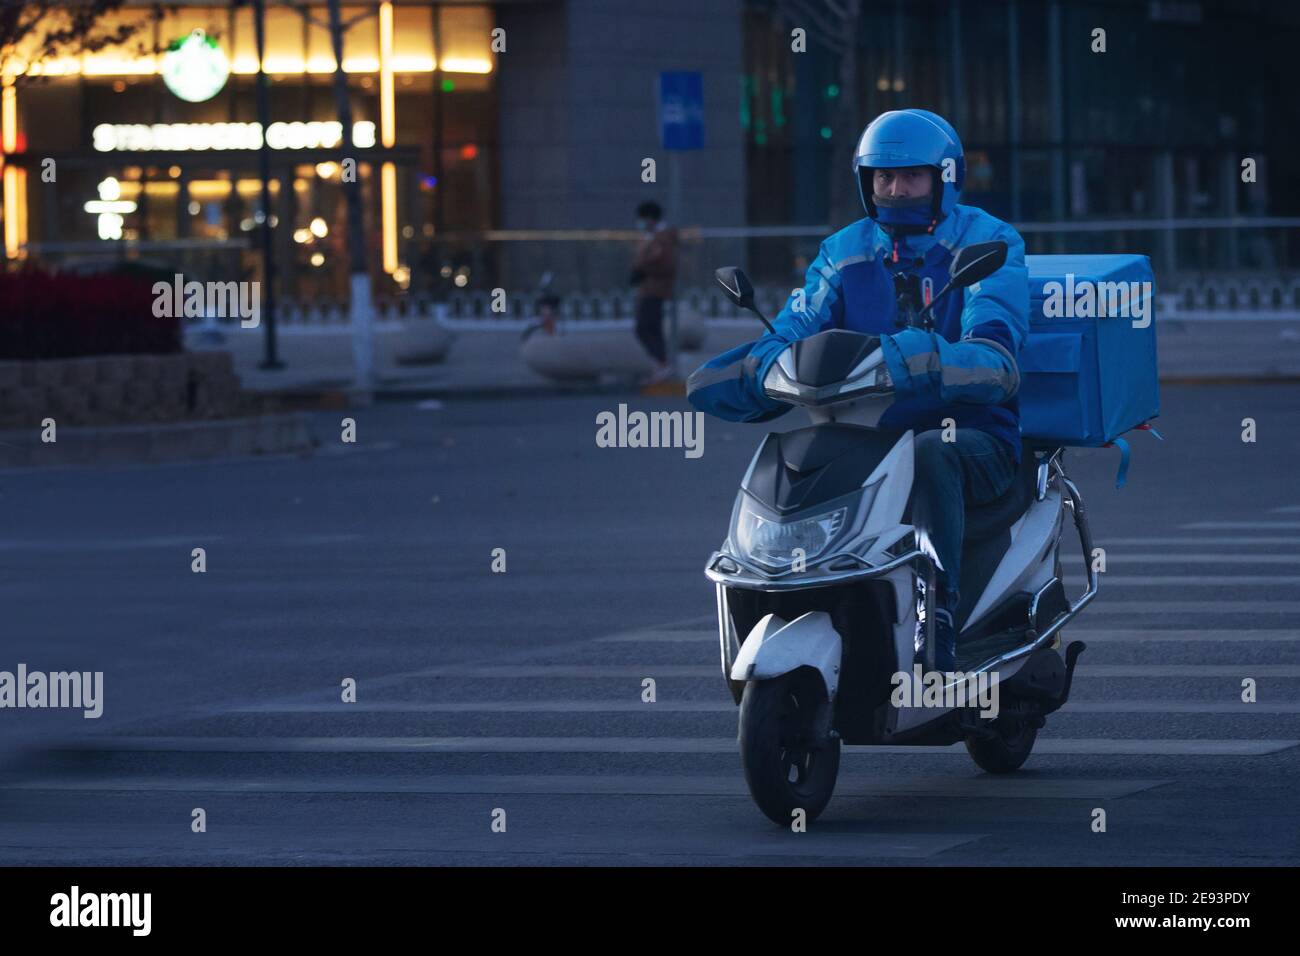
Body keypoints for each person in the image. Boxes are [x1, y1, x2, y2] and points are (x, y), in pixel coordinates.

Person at [686, 109, 1028, 673]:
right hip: (865, 436)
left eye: (911, 176)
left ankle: (936, 618)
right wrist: (764, 365)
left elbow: (996, 356)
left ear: (945, 178)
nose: (895, 190)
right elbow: (798, 324)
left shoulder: (988, 241)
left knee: (929, 454)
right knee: (791, 454)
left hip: (972, 436)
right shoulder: (845, 250)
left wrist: (927, 360)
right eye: (883, 178)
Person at [629, 200, 679, 383]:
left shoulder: (661, 238)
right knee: (651, 327)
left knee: (644, 327)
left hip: (654, 289)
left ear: (650, 219)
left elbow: (665, 264)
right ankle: (661, 364)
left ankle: (662, 364)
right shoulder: (653, 237)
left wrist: (643, 269)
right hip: (650, 288)